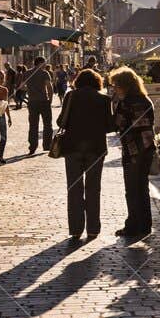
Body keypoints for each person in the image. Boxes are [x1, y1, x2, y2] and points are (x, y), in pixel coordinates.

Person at [58, 68, 114, 242]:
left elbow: (61, 122)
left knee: (74, 188)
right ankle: (93, 229)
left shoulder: (71, 96)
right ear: (97, 82)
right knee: (93, 188)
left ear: (79, 81)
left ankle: (75, 229)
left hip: (72, 148)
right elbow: (110, 127)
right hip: (95, 148)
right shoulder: (104, 99)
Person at [109, 66, 156, 240]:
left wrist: (112, 105)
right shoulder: (146, 100)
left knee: (132, 189)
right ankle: (145, 224)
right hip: (148, 148)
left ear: (125, 85)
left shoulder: (126, 102)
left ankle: (133, 225)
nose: (114, 88)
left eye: (116, 85)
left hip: (132, 150)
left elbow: (116, 124)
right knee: (142, 187)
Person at [24, 56, 55, 155]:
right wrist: (50, 100)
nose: (45, 64)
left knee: (33, 125)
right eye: (44, 63)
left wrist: (30, 90)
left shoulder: (27, 73)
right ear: (40, 63)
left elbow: (22, 86)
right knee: (47, 124)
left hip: (32, 102)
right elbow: (49, 87)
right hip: (43, 101)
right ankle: (47, 145)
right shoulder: (44, 73)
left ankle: (32, 146)